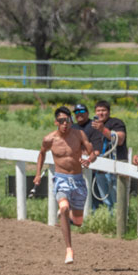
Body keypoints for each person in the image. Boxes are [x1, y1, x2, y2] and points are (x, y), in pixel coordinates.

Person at [33, 106, 96, 264]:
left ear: (71, 121)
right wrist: (37, 174)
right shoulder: (49, 139)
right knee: (64, 207)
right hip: (61, 179)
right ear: (56, 122)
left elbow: (92, 152)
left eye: (67, 120)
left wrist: (89, 160)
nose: (64, 124)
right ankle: (69, 249)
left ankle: (67, 216)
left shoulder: (79, 134)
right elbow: (41, 154)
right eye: (61, 121)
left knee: (79, 221)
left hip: (78, 180)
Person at [89, 100, 127, 210]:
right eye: (98, 111)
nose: (100, 113)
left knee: (117, 200)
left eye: (103, 110)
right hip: (100, 169)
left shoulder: (116, 123)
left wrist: (103, 129)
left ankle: (120, 222)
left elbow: (119, 140)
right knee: (106, 201)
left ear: (109, 112)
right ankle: (110, 221)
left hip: (115, 167)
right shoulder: (93, 126)